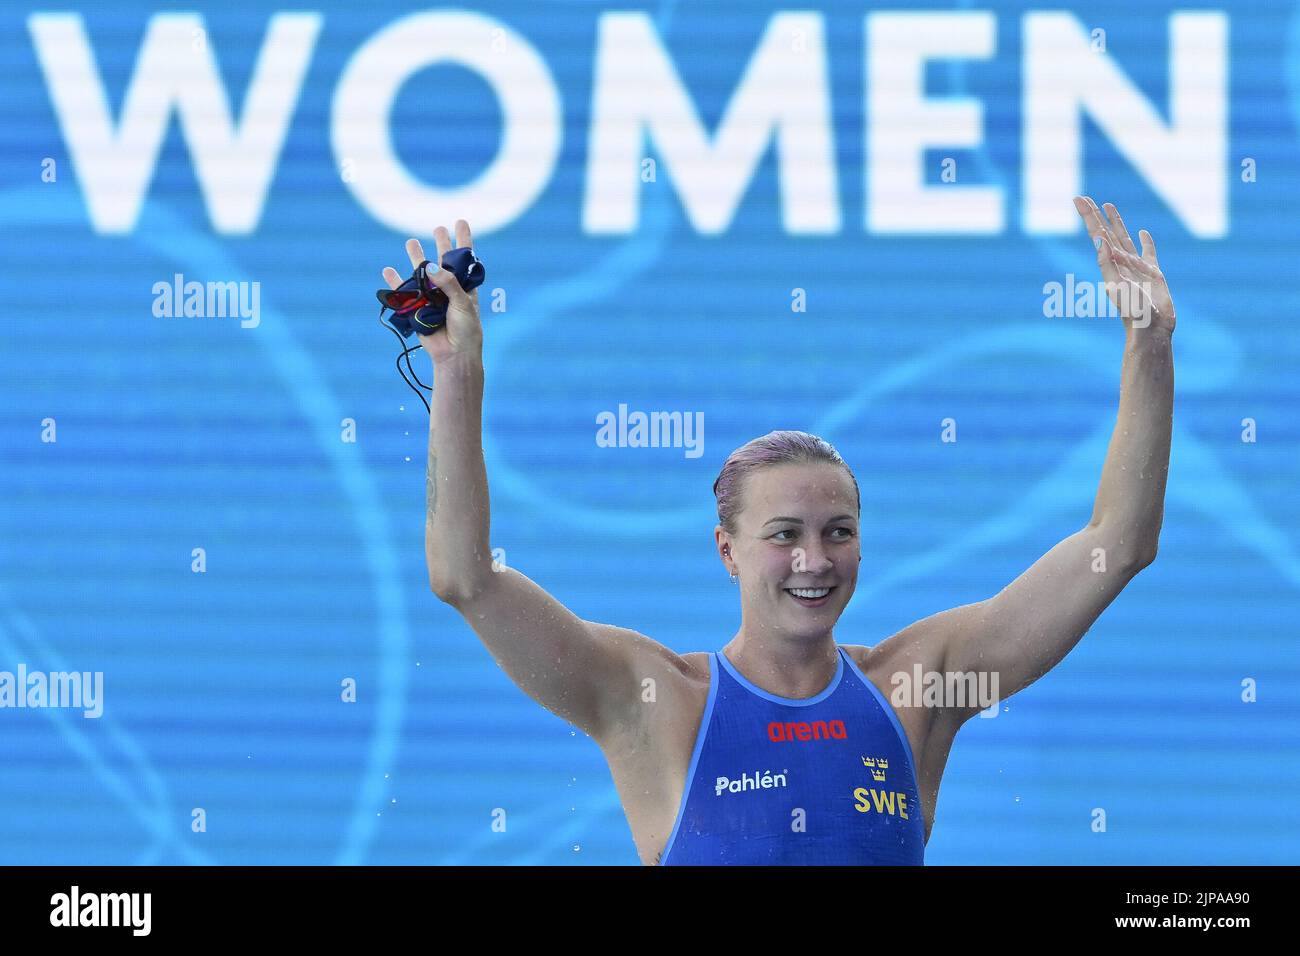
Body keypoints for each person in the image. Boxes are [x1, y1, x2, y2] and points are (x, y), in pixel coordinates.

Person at [382, 196, 1174, 865]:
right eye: (783, 533)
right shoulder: (651, 700)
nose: (813, 560)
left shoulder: (917, 687)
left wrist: (1148, 347)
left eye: (838, 532)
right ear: (725, 550)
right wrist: (456, 375)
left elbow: (1119, 543)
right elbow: (466, 577)